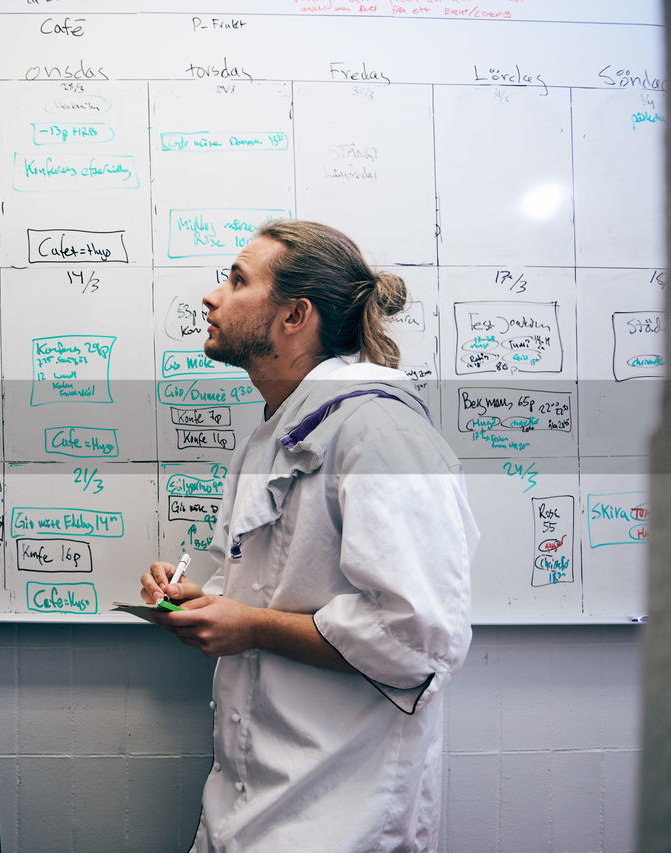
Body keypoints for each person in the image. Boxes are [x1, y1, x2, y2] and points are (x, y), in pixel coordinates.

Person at [140, 220, 478, 852]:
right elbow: (257, 581)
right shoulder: (273, 433)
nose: (211, 297)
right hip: (254, 792)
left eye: (238, 280)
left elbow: (421, 639)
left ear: (295, 315)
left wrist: (251, 626)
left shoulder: (380, 433)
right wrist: (193, 596)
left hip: (343, 807)